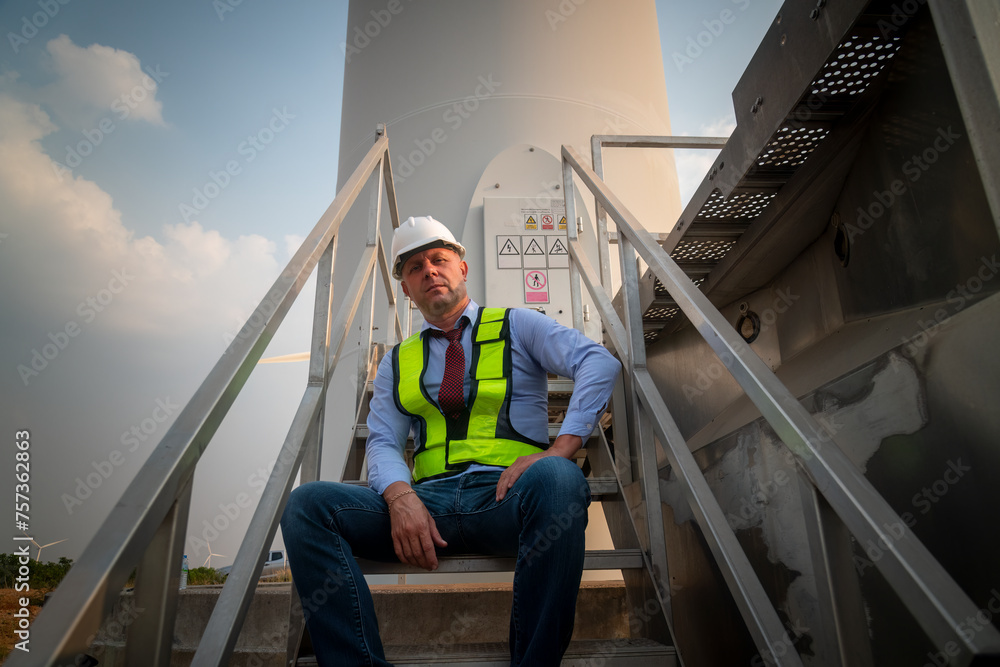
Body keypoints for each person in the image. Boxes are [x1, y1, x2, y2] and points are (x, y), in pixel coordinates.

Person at [281, 215, 621, 666]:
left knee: (560, 479)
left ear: (461, 267)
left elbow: (598, 362)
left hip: (507, 500)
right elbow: (383, 442)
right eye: (414, 268)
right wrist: (401, 498)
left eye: (438, 260)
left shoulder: (518, 325)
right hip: (427, 509)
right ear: (406, 289)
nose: (429, 271)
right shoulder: (397, 361)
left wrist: (559, 450)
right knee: (307, 506)